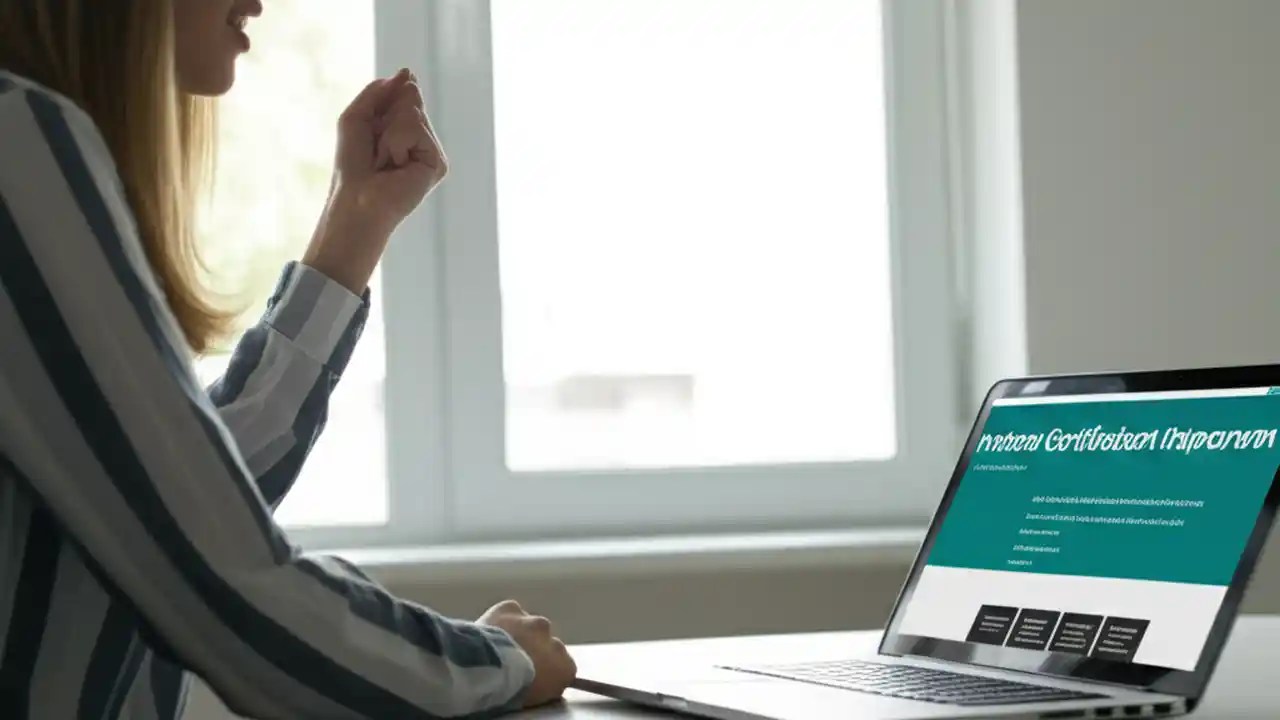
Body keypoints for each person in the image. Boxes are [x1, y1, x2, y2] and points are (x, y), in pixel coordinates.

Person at [0, 0, 577, 717]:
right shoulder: (16, 142)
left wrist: (356, 221)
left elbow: (167, 496)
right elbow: (226, 587)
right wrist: (500, 660)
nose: (258, 1)